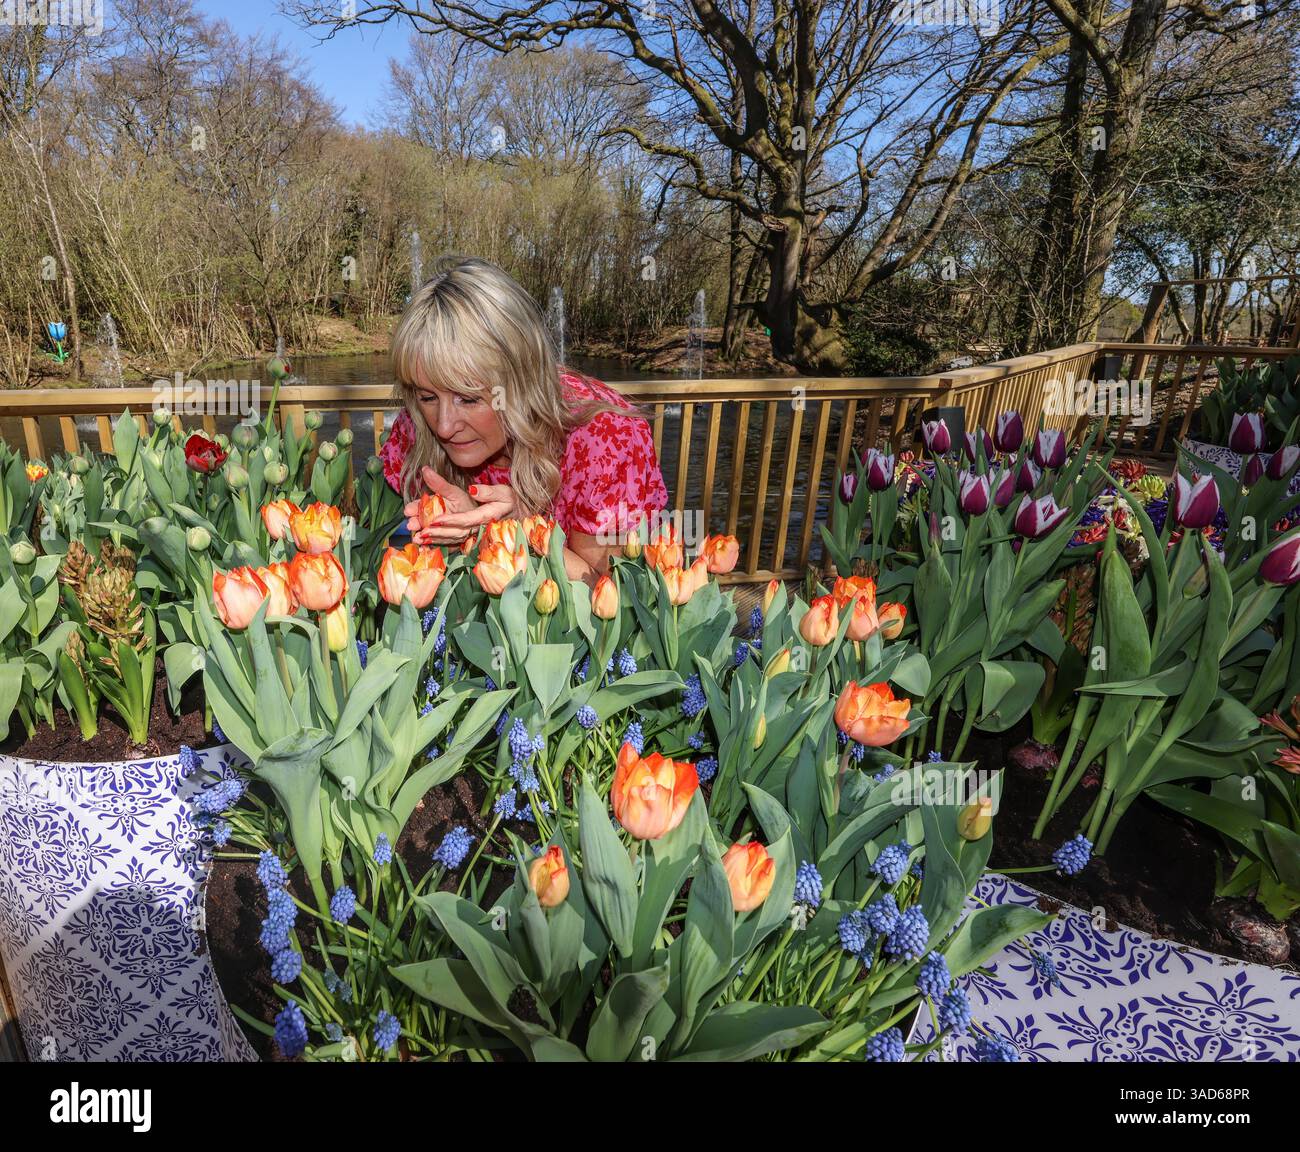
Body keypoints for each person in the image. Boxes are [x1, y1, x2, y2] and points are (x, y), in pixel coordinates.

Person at [380, 256, 668, 584]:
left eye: (470, 398)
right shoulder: (418, 420)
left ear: (521, 382)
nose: (444, 426)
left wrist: (517, 531)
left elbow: (612, 595)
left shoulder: (607, 441)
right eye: (427, 396)